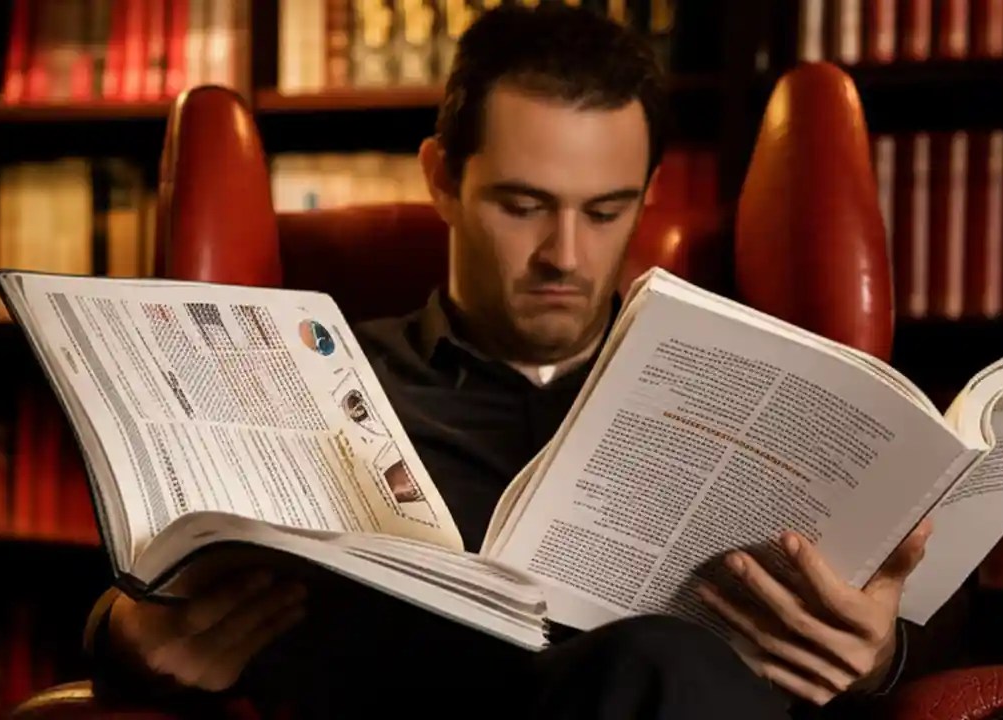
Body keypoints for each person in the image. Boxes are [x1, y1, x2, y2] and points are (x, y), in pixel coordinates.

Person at [82, 4, 946, 718]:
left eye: (607, 211)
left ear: (648, 198)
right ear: (442, 181)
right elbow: (148, 585)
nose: (565, 256)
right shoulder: (315, 389)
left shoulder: (751, 403)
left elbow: (920, 619)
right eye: (524, 206)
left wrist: (880, 650)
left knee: (669, 664)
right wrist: (126, 640)